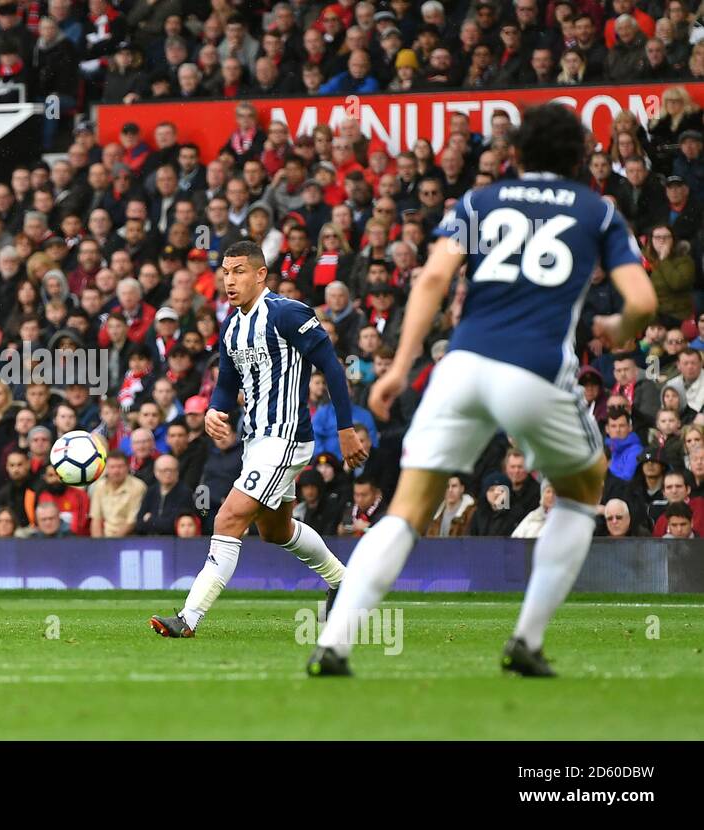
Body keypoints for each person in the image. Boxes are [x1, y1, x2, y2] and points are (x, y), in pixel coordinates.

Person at [311, 105, 656, 678]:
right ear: (579, 161)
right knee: (583, 486)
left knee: (407, 508)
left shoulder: (480, 202)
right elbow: (642, 303)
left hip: (463, 365)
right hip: (538, 371)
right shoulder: (598, 211)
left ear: (516, 155)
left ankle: (334, 644)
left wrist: (399, 367)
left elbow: (434, 278)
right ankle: (527, 639)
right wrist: (616, 330)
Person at [149, 239, 367, 638]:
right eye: (225, 273)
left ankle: (188, 617)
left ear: (261, 274)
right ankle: (346, 583)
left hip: (285, 438)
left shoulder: (288, 314)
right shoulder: (232, 325)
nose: (229, 282)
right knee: (276, 531)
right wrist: (217, 409)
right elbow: (227, 381)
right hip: (256, 440)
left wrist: (346, 429)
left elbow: (332, 368)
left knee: (228, 517)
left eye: (238, 272)